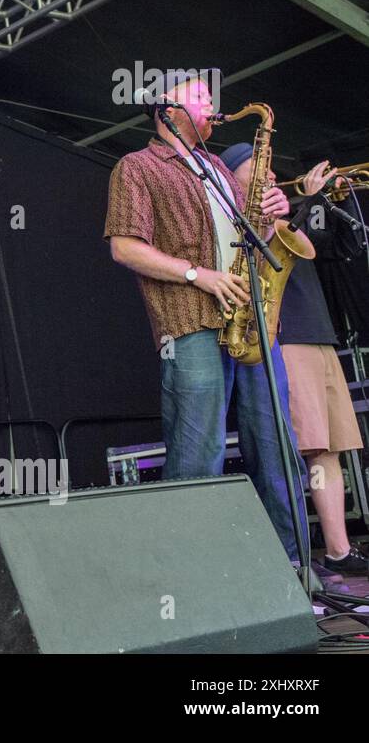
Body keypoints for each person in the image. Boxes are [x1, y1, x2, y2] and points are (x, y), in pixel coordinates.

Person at [104, 78, 308, 565]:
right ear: (167, 108)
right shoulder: (136, 166)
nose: (215, 109)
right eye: (203, 99)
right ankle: (193, 576)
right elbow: (124, 246)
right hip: (190, 322)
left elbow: (249, 239)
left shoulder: (217, 167)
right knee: (199, 456)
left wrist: (272, 215)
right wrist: (199, 275)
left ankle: (294, 567)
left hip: (249, 317)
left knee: (276, 447)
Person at [236, 152, 367, 577]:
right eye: (258, 167)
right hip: (285, 337)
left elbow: (341, 247)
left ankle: (338, 550)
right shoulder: (245, 220)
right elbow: (287, 243)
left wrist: (339, 201)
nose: (272, 174)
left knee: (327, 447)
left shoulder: (292, 214)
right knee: (303, 447)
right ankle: (294, 556)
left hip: (319, 335)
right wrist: (310, 201)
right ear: (235, 177)